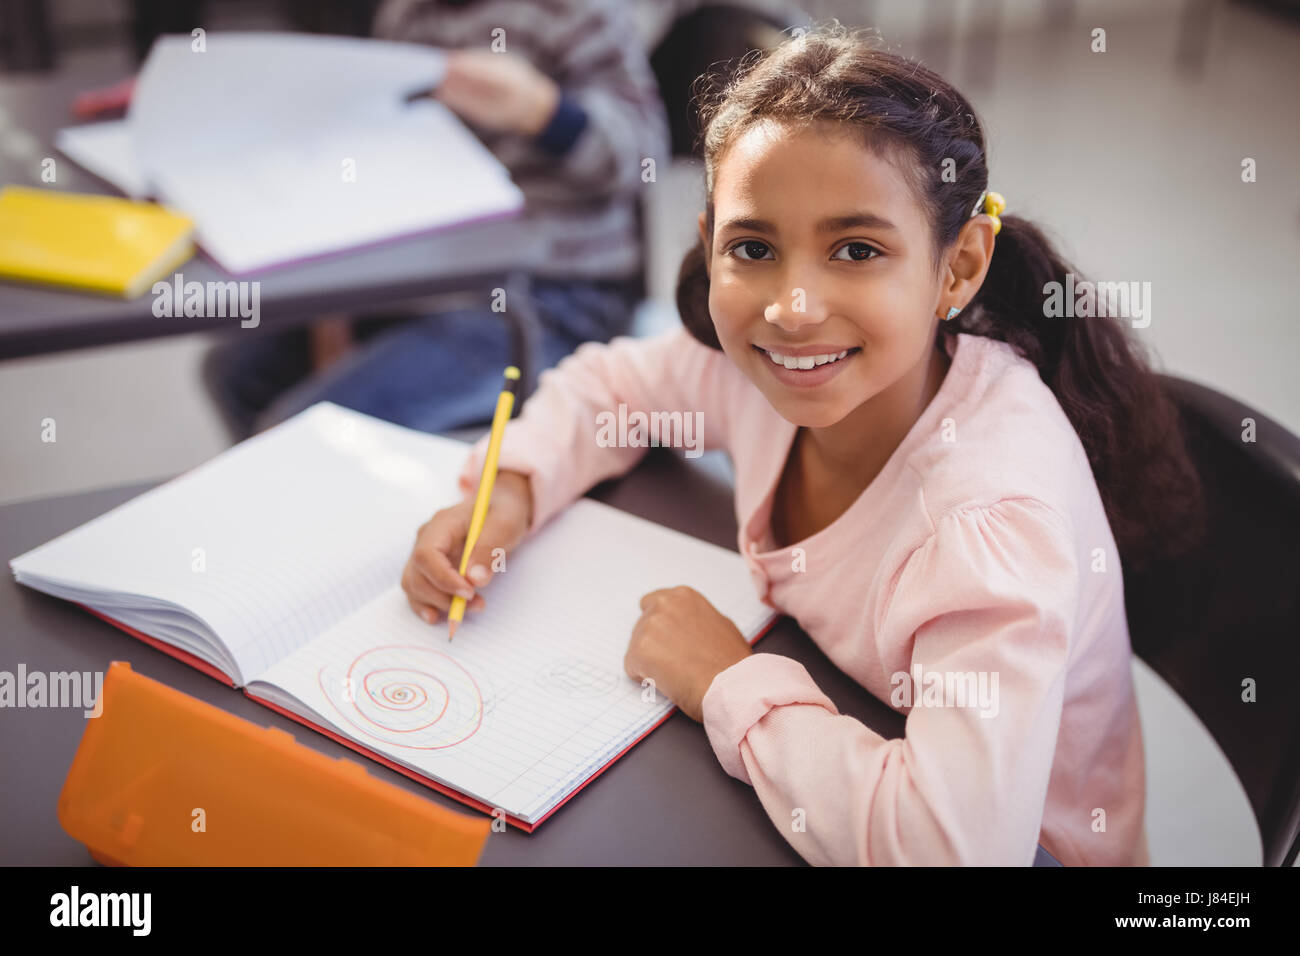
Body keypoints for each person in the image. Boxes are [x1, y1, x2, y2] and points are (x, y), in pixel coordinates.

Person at [397, 24, 1206, 865]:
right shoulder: (771, 374)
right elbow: (613, 390)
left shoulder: (986, 519)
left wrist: (723, 681)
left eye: (856, 250)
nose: (791, 307)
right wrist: (513, 490)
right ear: (710, 244)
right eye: (753, 248)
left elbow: (950, 847)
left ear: (958, 268)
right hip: (839, 752)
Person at [201, 0, 668, 438]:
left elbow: (644, 157)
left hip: (551, 298)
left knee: (302, 433)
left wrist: (541, 110)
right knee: (235, 374)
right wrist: (335, 308)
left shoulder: (576, 14)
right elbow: (376, 149)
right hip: (420, 284)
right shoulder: (409, 14)